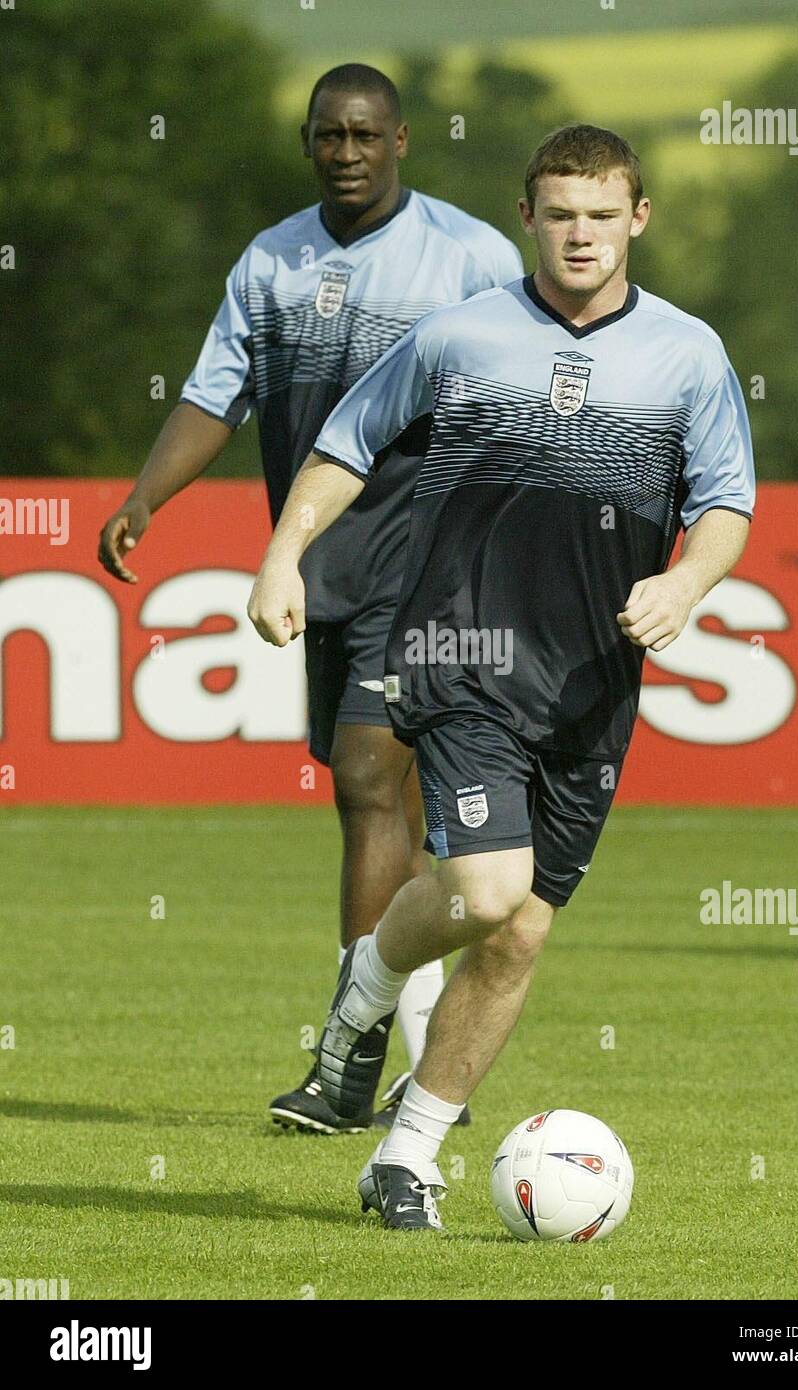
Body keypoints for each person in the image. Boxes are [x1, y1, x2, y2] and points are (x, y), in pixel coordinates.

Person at [247, 123, 755, 1228]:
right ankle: (370, 993)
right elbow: (343, 444)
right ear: (527, 218)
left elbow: (723, 504)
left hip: (587, 682)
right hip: (455, 651)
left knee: (521, 926)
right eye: (559, 213)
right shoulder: (458, 336)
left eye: (600, 213)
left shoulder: (686, 353)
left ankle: (406, 1156)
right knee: (483, 887)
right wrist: (284, 553)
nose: (580, 233)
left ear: (637, 218)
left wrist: (683, 585)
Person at [97, 64, 522, 1134]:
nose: (346, 152)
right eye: (328, 136)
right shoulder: (270, 262)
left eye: (365, 135)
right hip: (319, 564)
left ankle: (349, 1055)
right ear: (307, 143)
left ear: (401, 141)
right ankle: (427, 1065)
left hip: (433, 566)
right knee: (392, 801)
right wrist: (145, 495)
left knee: (366, 779)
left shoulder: (472, 257)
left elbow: (524, 394)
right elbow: (214, 393)